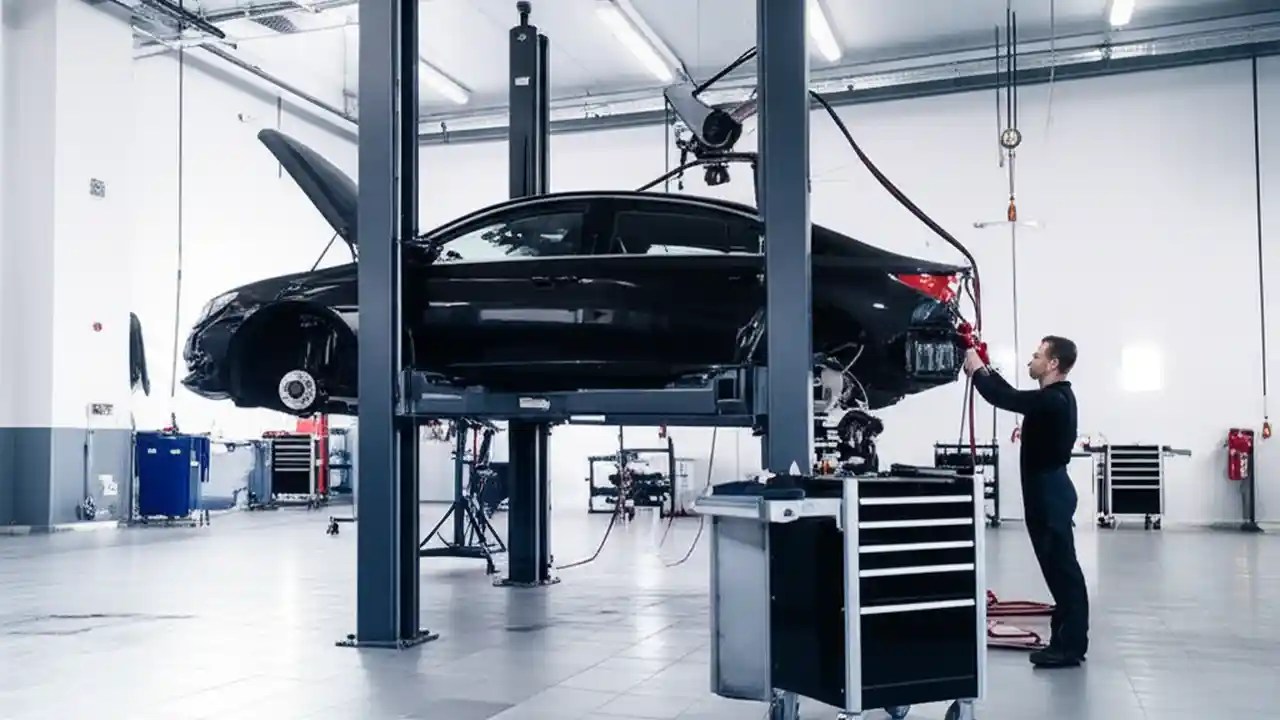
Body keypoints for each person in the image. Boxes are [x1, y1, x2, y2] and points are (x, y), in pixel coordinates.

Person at [963, 335, 1089, 668]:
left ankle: (1071, 646)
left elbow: (1006, 398)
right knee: (1059, 571)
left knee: (1063, 572)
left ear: (1053, 364)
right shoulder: (1053, 398)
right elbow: (1012, 395)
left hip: (1050, 495)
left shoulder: (1055, 400)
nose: (1030, 361)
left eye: (1036, 356)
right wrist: (984, 367)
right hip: (1048, 492)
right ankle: (1066, 640)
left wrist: (978, 372)